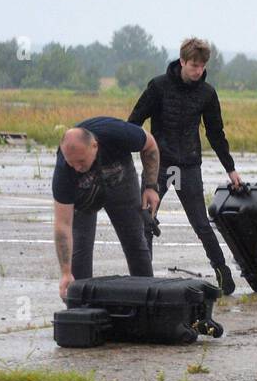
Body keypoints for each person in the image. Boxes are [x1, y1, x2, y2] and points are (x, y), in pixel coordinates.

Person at [129, 37, 241, 295]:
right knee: (145, 219)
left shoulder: (207, 93)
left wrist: (230, 168)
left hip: (189, 165)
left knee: (201, 222)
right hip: (160, 164)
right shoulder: (158, 87)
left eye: (202, 66)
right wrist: (122, 151)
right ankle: (143, 276)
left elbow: (216, 133)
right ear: (182, 61)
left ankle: (222, 271)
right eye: (193, 65)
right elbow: (134, 122)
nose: (198, 71)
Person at [51, 117, 161, 299]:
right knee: (79, 251)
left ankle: (147, 298)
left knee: (135, 242)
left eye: (81, 161)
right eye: (72, 164)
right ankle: (82, 304)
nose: (77, 168)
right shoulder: (65, 170)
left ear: (95, 146)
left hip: (121, 182)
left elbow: (150, 145)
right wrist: (65, 272)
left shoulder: (116, 132)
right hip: (84, 194)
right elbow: (62, 225)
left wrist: (150, 186)